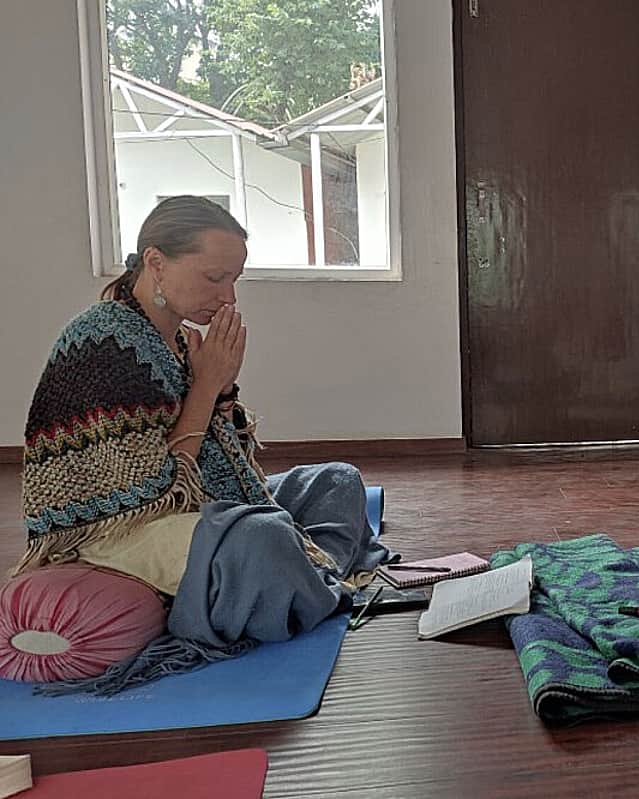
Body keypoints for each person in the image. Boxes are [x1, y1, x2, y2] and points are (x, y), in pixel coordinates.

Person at [17, 195, 388, 692]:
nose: (229, 297)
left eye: (234, 280)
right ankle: (302, 575)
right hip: (118, 529)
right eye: (215, 278)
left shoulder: (174, 337)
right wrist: (208, 384)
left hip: (191, 503)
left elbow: (228, 459)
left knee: (337, 481)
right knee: (263, 537)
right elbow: (152, 488)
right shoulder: (103, 341)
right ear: (155, 262)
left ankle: (303, 575)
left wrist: (221, 388)